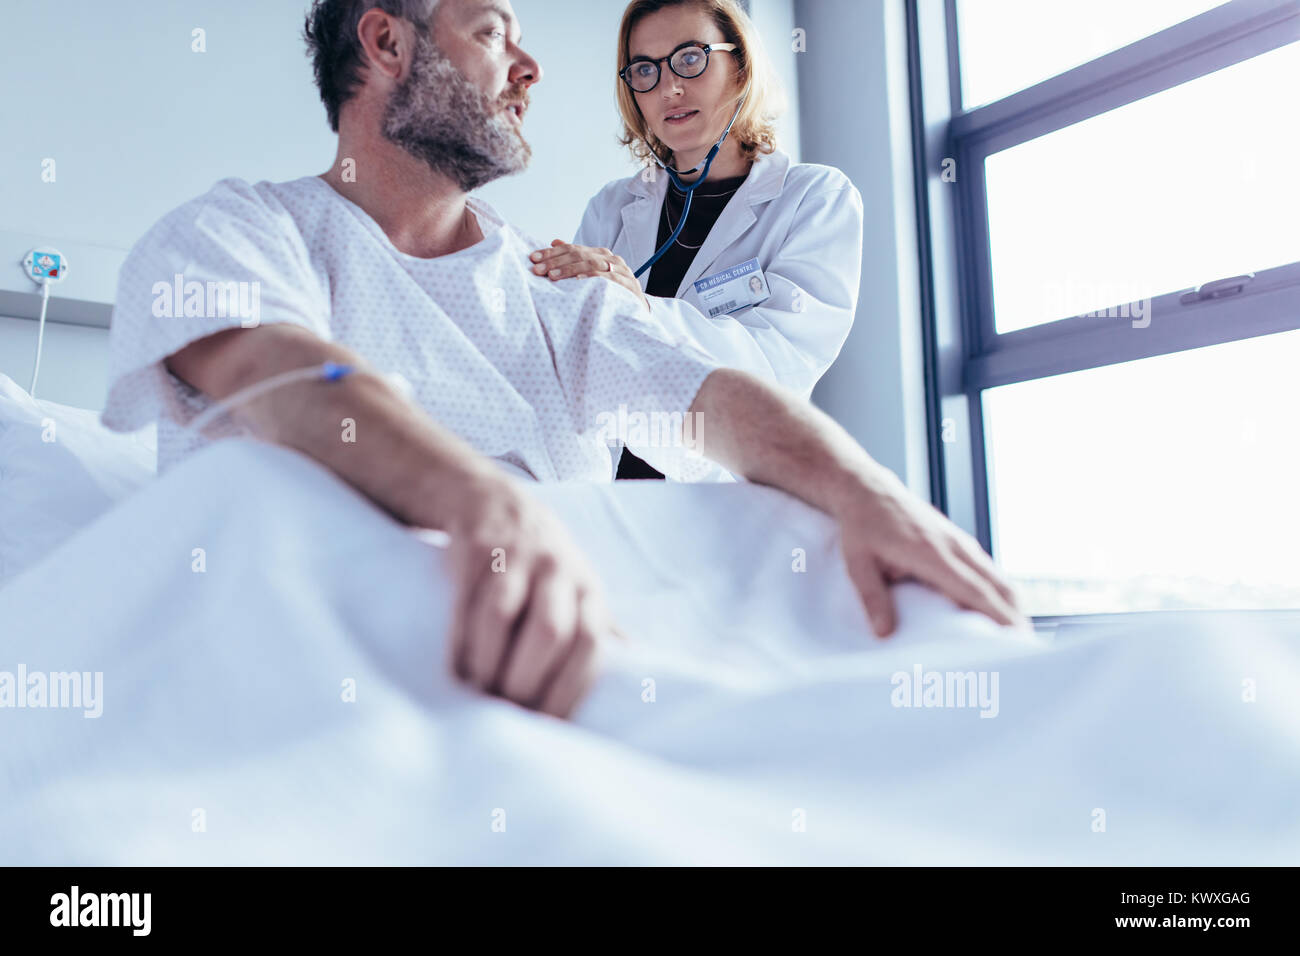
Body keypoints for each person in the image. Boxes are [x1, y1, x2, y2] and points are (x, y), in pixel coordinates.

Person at [101, 0, 1024, 720]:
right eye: (495, 31)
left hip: (565, 680)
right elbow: (284, 372)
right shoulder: (245, 231)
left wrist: (862, 489)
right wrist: (488, 504)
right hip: (306, 683)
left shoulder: (550, 289)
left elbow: (713, 397)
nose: (531, 67)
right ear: (386, 44)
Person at [530, 0, 863, 479]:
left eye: (690, 58)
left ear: (741, 66)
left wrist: (640, 308)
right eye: (644, 69)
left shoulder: (814, 199)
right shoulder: (611, 208)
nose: (669, 87)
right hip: (605, 495)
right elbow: (575, 361)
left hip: (724, 498)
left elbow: (779, 366)